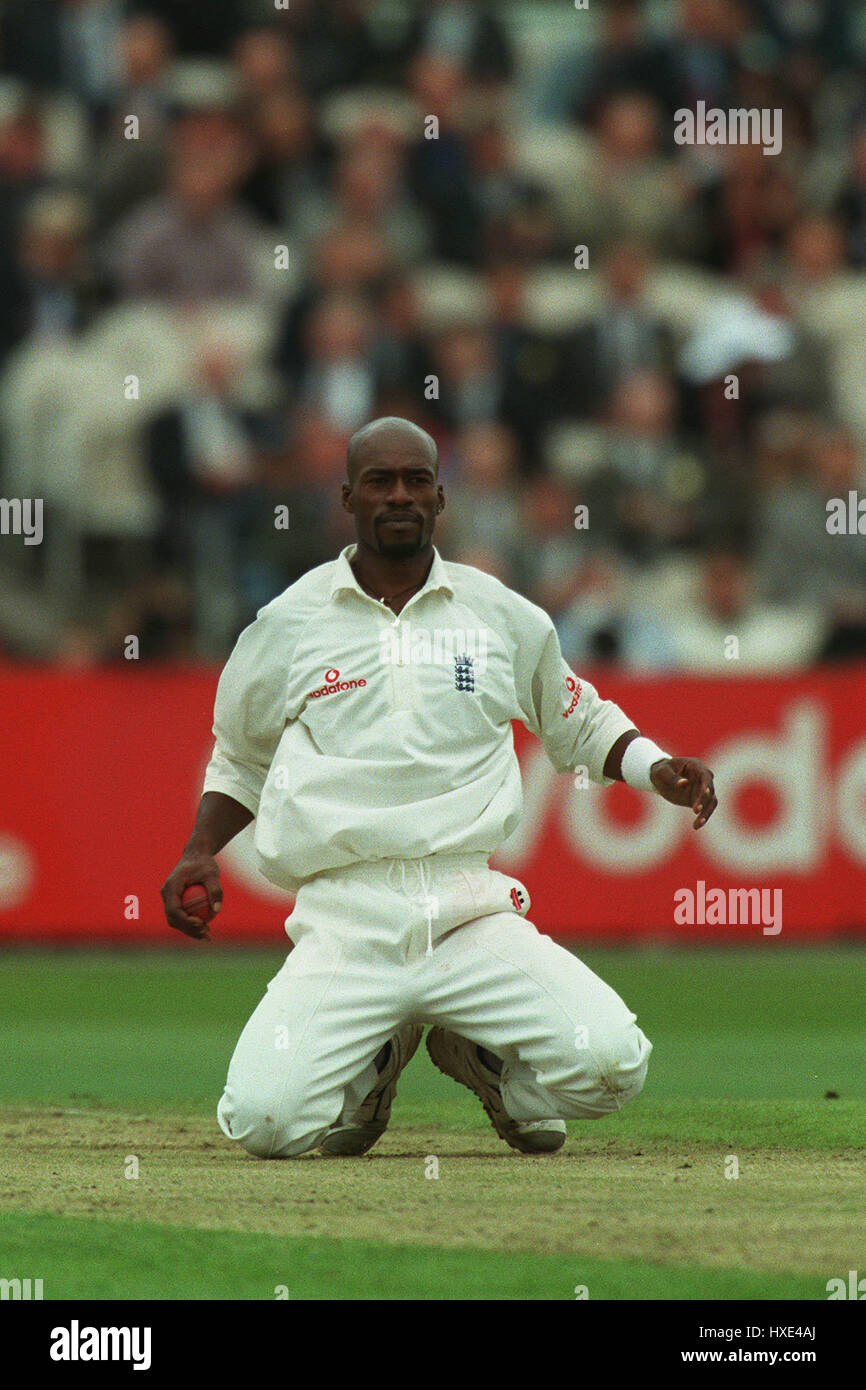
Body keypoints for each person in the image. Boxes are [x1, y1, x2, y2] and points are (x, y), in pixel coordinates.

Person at [160, 416, 717, 1159]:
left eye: (416, 480)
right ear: (348, 497)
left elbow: (577, 720)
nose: (399, 495)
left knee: (611, 1070)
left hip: (465, 909)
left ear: (440, 498)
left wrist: (658, 768)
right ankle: (380, 1059)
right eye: (380, 481)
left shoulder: (498, 613)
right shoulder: (288, 622)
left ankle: (475, 1054)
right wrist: (200, 849)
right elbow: (241, 756)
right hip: (345, 918)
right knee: (265, 1124)